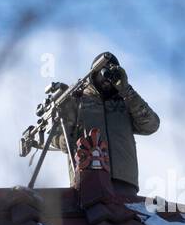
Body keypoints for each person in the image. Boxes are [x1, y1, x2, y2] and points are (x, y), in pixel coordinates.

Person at [52, 53, 159, 196]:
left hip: (124, 183)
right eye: (103, 73)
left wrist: (126, 90)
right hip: (88, 179)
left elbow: (151, 125)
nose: (107, 80)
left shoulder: (126, 101)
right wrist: (63, 140)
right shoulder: (78, 101)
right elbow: (55, 136)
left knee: (125, 217)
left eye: (111, 74)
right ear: (93, 74)